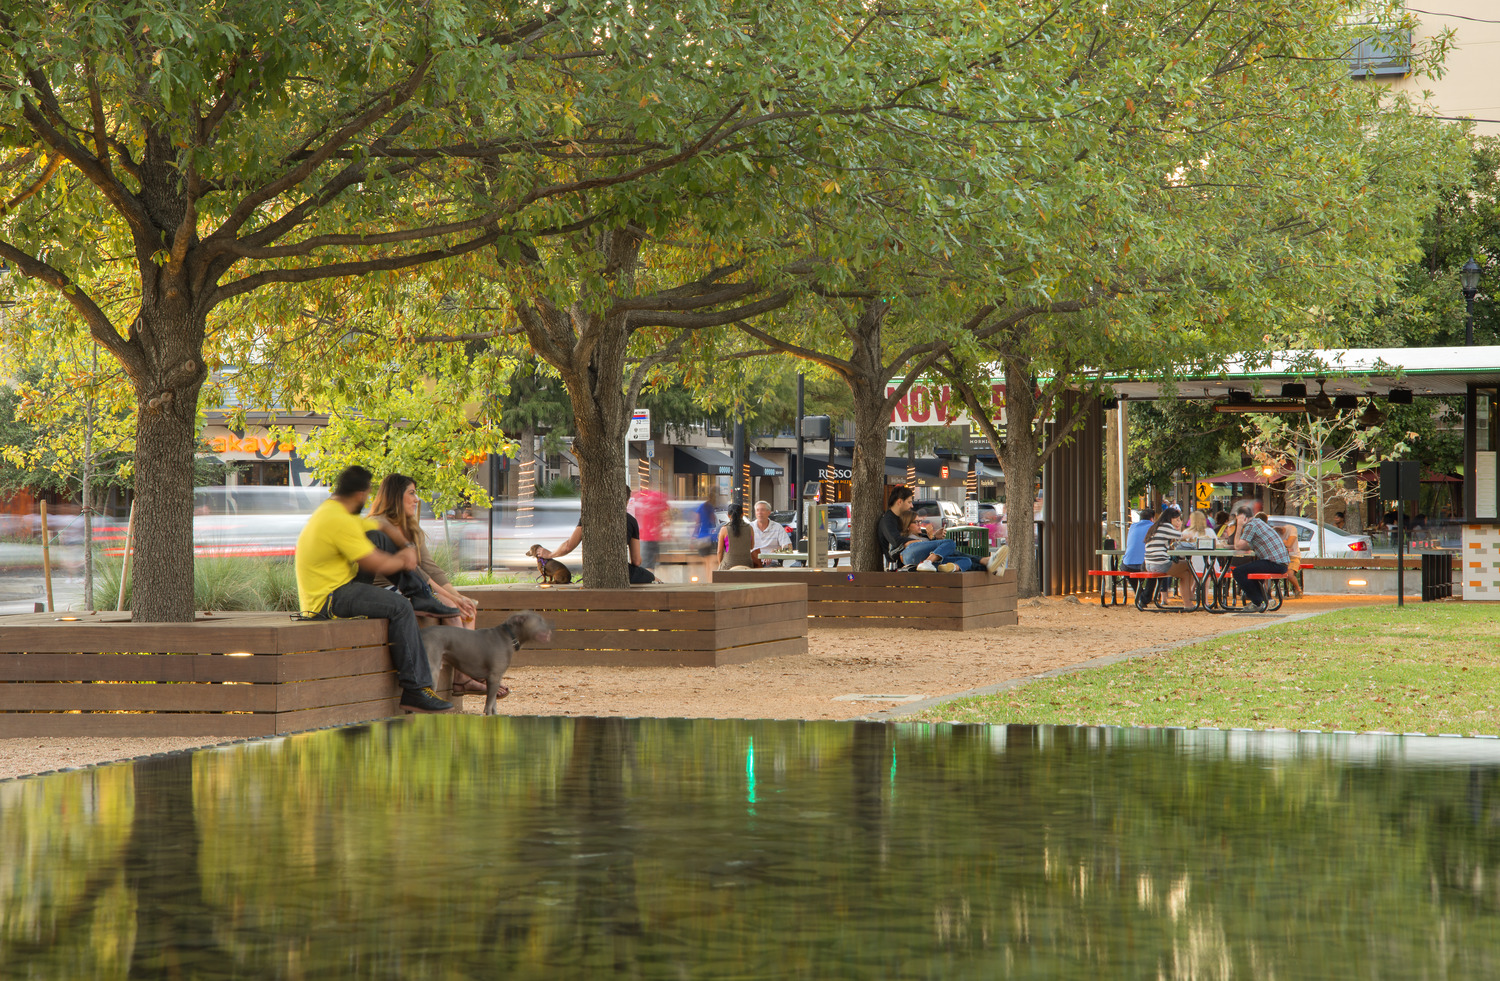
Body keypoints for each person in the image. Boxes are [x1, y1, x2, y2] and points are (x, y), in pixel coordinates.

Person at [294, 466, 452, 714]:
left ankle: (421, 596)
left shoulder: (334, 511)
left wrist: (406, 545)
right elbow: (377, 564)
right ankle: (415, 690)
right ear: (360, 494)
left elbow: (381, 527)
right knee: (401, 607)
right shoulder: (338, 521)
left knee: (378, 537)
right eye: (367, 494)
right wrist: (405, 558)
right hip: (329, 599)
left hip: (339, 587)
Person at [368, 474, 487, 694]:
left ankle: (463, 674)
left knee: (467, 606)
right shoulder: (379, 525)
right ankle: (465, 674)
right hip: (385, 590)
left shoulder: (410, 526)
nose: (417, 499)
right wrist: (451, 599)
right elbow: (416, 572)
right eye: (411, 493)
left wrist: (459, 596)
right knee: (451, 607)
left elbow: (430, 568)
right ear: (396, 496)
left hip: (414, 586)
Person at [536, 488, 657, 584]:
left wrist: (550, 554)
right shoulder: (631, 521)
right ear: (626, 501)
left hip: (593, 572)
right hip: (620, 572)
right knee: (654, 579)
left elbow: (568, 546)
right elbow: (636, 561)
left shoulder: (589, 516)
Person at [876, 485, 1005, 573]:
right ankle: (928, 562)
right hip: (904, 559)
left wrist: (931, 538)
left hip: (917, 557)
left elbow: (913, 534)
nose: (911, 505)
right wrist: (927, 542)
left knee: (964, 560)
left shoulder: (901, 518)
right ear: (899, 502)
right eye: (909, 502)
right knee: (949, 544)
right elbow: (898, 541)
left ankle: (989, 566)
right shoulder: (888, 520)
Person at [1230, 505, 1290, 613]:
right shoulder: (1258, 523)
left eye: (1237, 517)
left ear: (1243, 517)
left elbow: (1238, 546)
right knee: (1249, 571)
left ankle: (1258, 602)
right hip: (1280, 563)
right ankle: (1266, 599)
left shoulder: (1251, 525)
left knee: (1238, 572)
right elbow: (1245, 545)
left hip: (1274, 563)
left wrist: (1239, 526)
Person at [1140, 507, 1193, 610]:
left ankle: (1188, 603)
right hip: (1160, 564)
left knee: (1185, 574)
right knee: (1188, 565)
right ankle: (1190, 596)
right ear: (1170, 518)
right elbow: (1182, 536)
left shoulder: (1155, 526)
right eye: (1176, 520)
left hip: (1149, 564)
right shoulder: (1166, 526)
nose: (1178, 522)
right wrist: (1194, 531)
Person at [632, 485, 669, 571]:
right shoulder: (658, 498)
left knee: (645, 565)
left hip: (644, 537)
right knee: (650, 564)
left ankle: (648, 578)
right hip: (654, 537)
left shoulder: (640, 499)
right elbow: (665, 517)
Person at [718, 503, 758, 569]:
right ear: (742, 514)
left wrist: (720, 564)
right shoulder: (750, 528)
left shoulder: (724, 529)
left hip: (728, 566)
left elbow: (719, 551)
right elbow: (751, 546)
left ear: (728, 515)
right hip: (747, 566)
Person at [1122, 505, 1156, 575]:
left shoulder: (1133, 526)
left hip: (1128, 564)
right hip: (1146, 565)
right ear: (1151, 519)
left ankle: (1134, 583)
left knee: (1124, 568)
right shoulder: (1154, 527)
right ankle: (1150, 583)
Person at [1278, 521, 1304, 598]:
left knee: (1289, 574)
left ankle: (1298, 589)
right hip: (1280, 558)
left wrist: (1283, 542)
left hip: (1293, 557)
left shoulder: (1291, 529)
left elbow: (1289, 544)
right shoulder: (1274, 532)